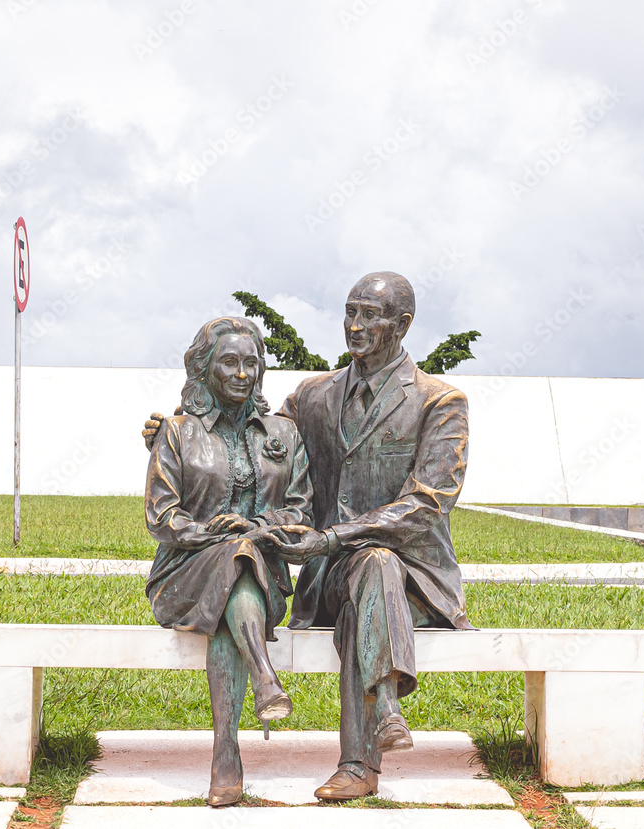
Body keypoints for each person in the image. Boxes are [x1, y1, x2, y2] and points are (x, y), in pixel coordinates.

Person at [144, 272, 472, 802]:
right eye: (350, 312)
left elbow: (429, 502)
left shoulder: (439, 401)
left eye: (371, 315)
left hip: (413, 578)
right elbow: (248, 429)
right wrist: (176, 423)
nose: (356, 325)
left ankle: (366, 751)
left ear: (403, 325)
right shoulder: (313, 397)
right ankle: (384, 710)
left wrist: (330, 537)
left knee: (380, 565)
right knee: (366, 571)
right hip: (329, 574)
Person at [144, 316, 313, 807]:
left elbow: (302, 508)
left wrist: (259, 528)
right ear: (206, 369)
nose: (242, 373)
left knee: (240, 562)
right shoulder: (177, 431)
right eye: (229, 362)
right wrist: (207, 530)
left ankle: (226, 754)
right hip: (184, 572)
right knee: (231, 556)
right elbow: (160, 515)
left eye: (250, 363)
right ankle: (263, 680)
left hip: (263, 575)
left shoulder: (283, 432)